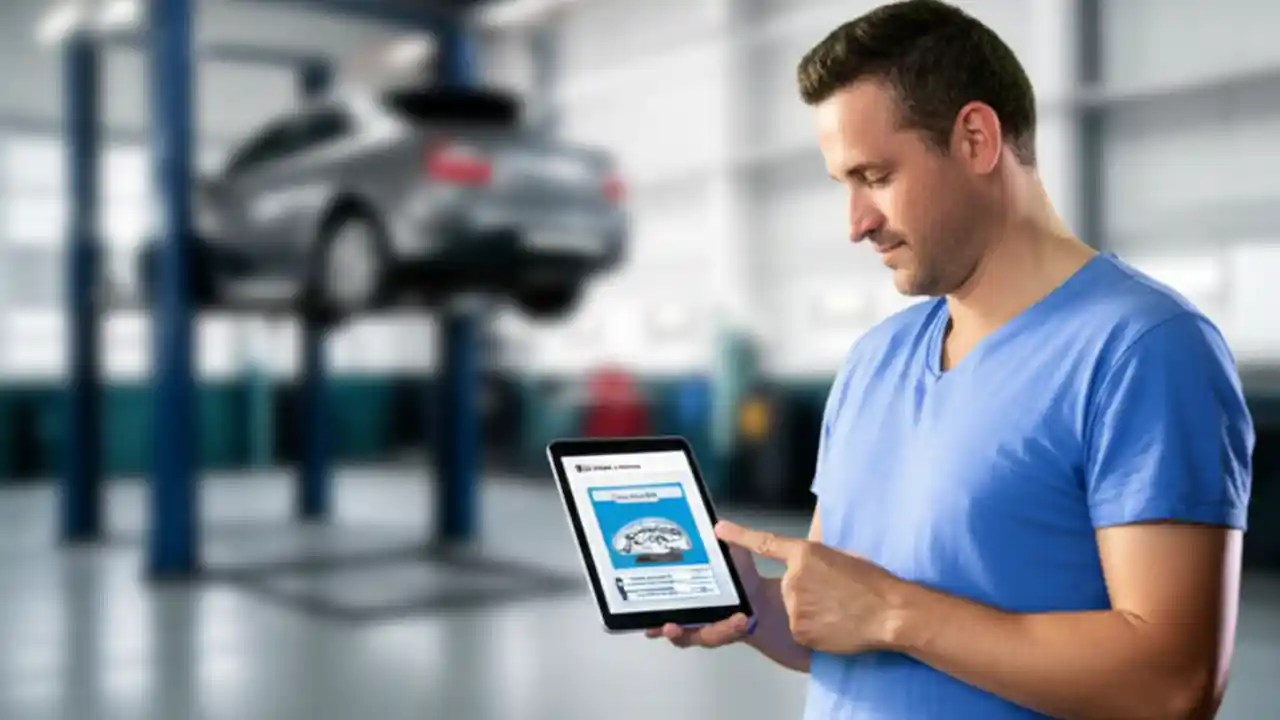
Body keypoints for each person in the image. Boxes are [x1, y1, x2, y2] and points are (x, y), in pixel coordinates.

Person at [645, 1, 1254, 718]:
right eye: (843, 184)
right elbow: (847, 628)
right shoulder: (875, 361)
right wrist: (760, 612)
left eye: (874, 176)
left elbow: (1172, 684)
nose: (855, 223)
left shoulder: (1144, 350)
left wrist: (894, 612)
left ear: (974, 138)